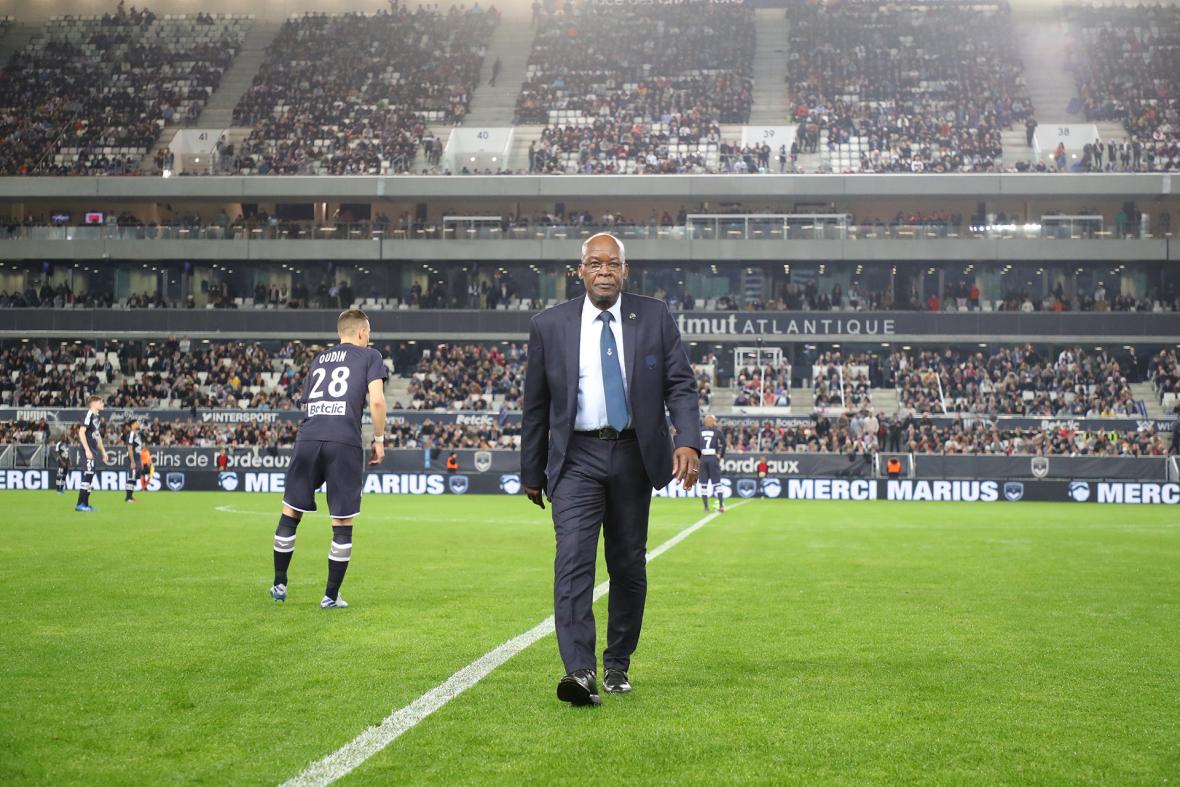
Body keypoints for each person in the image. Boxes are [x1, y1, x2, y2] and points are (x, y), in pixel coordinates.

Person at [522, 232, 701, 707]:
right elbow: (535, 407)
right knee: (573, 561)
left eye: (613, 263)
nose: (604, 271)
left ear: (626, 270)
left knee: (627, 566)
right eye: (595, 263)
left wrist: (688, 440)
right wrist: (531, 472)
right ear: (580, 270)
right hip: (575, 459)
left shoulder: (655, 316)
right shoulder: (549, 325)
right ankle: (579, 672)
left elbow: (680, 385)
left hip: (632, 457)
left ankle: (617, 662)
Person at [270, 309, 388, 609]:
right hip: (343, 440)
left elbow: (307, 400)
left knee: (290, 512)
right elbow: (376, 400)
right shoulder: (370, 356)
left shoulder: (319, 358)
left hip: (308, 436)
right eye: (369, 332)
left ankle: (279, 584)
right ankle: (330, 596)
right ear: (361, 332)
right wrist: (378, 439)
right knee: (342, 521)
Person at [76, 395, 110, 512]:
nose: (103, 404)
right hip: (88, 451)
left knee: (90, 476)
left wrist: (103, 451)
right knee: (88, 475)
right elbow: (81, 432)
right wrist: (87, 449)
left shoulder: (96, 417)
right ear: (94, 403)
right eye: (101, 402)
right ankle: (81, 504)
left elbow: (97, 435)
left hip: (93, 451)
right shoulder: (88, 414)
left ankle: (84, 504)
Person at [698, 414, 726, 513]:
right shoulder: (717, 431)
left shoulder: (700, 431)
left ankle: (706, 507)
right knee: (717, 483)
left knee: (704, 484)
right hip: (713, 458)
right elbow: (724, 443)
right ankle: (721, 506)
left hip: (702, 458)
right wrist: (720, 455)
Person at [124, 418, 143, 503]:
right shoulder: (131, 434)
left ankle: (130, 497)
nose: (138, 424)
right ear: (132, 425)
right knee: (131, 477)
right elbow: (129, 448)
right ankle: (128, 498)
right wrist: (132, 461)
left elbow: (138, 449)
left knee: (133, 478)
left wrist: (140, 461)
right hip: (133, 459)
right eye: (137, 423)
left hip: (137, 459)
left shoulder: (136, 435)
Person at [53, 428, 71, 494]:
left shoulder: (66, 444)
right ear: (61, 437)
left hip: (66, 461)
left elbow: (67, 453)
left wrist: (69, 461)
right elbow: (57, 453)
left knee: (64, 476)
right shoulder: (59, 444)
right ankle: (58, 489)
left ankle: (61, 488)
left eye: (65, 437)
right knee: (59, 475)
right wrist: (61, 461)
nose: (64, 438)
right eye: (63, 437)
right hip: (61, 462)